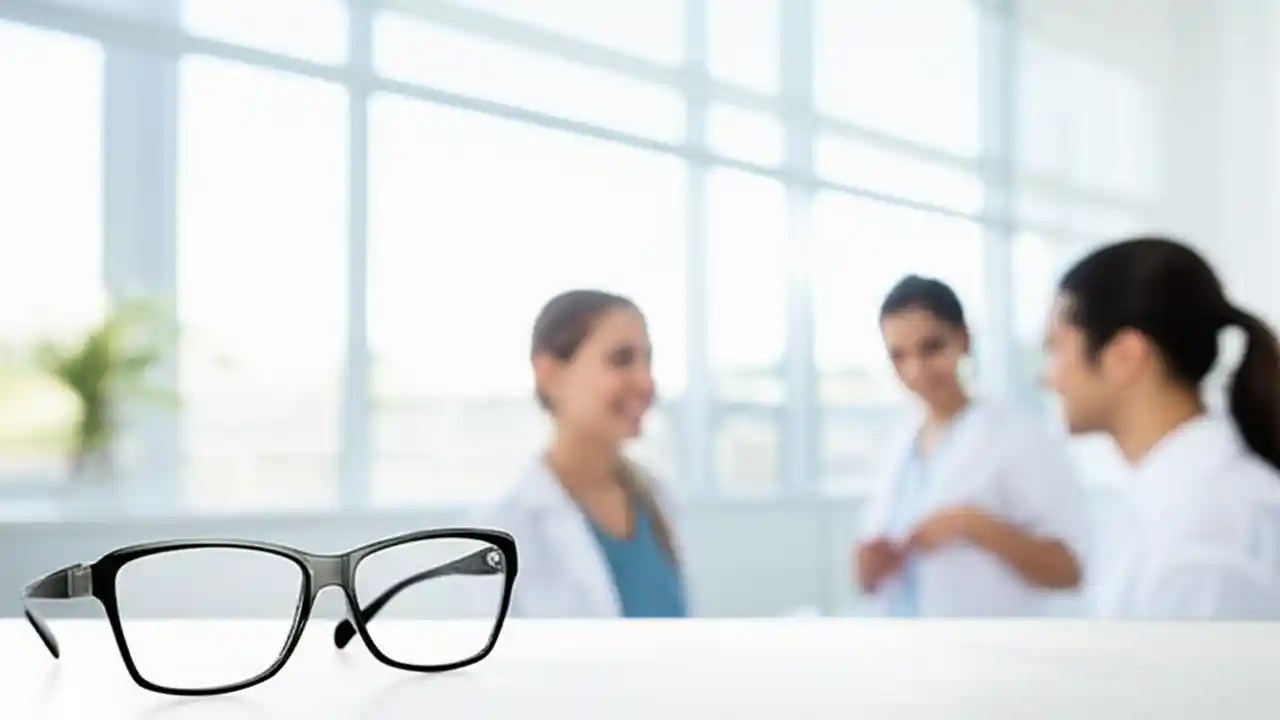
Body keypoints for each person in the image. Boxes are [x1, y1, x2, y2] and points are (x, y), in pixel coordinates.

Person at [1044, 237, 1280, 618]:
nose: (1049, 378)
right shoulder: (1164, 504)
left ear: (1125, 355)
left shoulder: (1204, 535)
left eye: (1056, 349)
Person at [854, 275, 1086, 617]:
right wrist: (869, 568)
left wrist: (975, 526)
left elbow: (1069, 570)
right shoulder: (897, 444)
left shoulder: (1017, 435)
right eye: (899, 356)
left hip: (985, 651)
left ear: (963, 339)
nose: (917, 370)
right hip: (904, 645)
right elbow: (875, 573)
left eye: (931, 348)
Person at [476, 289, 689, 618]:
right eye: (621, 359)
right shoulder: (505, 531)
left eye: (648, 361)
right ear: (550, 375)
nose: (646, 382)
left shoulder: (657, 500)